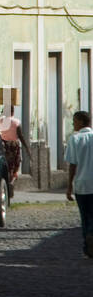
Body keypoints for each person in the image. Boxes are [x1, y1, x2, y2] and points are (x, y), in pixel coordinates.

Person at [65, 110, 93, 258]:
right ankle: (91, 235)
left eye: (74, 121)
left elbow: (72, 164)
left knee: (85, 215)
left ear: (82, 122)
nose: (73, 124)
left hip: (82, 185)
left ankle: (87, 244)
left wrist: (69, 186)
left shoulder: (74, 139)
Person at [0, 111, 32, 186]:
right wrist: (27, 148)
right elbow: (20, 136)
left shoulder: (0, 121)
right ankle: (12, 177)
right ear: (13, 112)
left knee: (6, 162)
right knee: (15, 162)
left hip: (4, 145)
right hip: (14, 145)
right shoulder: (16, 122)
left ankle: (7, 179)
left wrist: (1, 115)